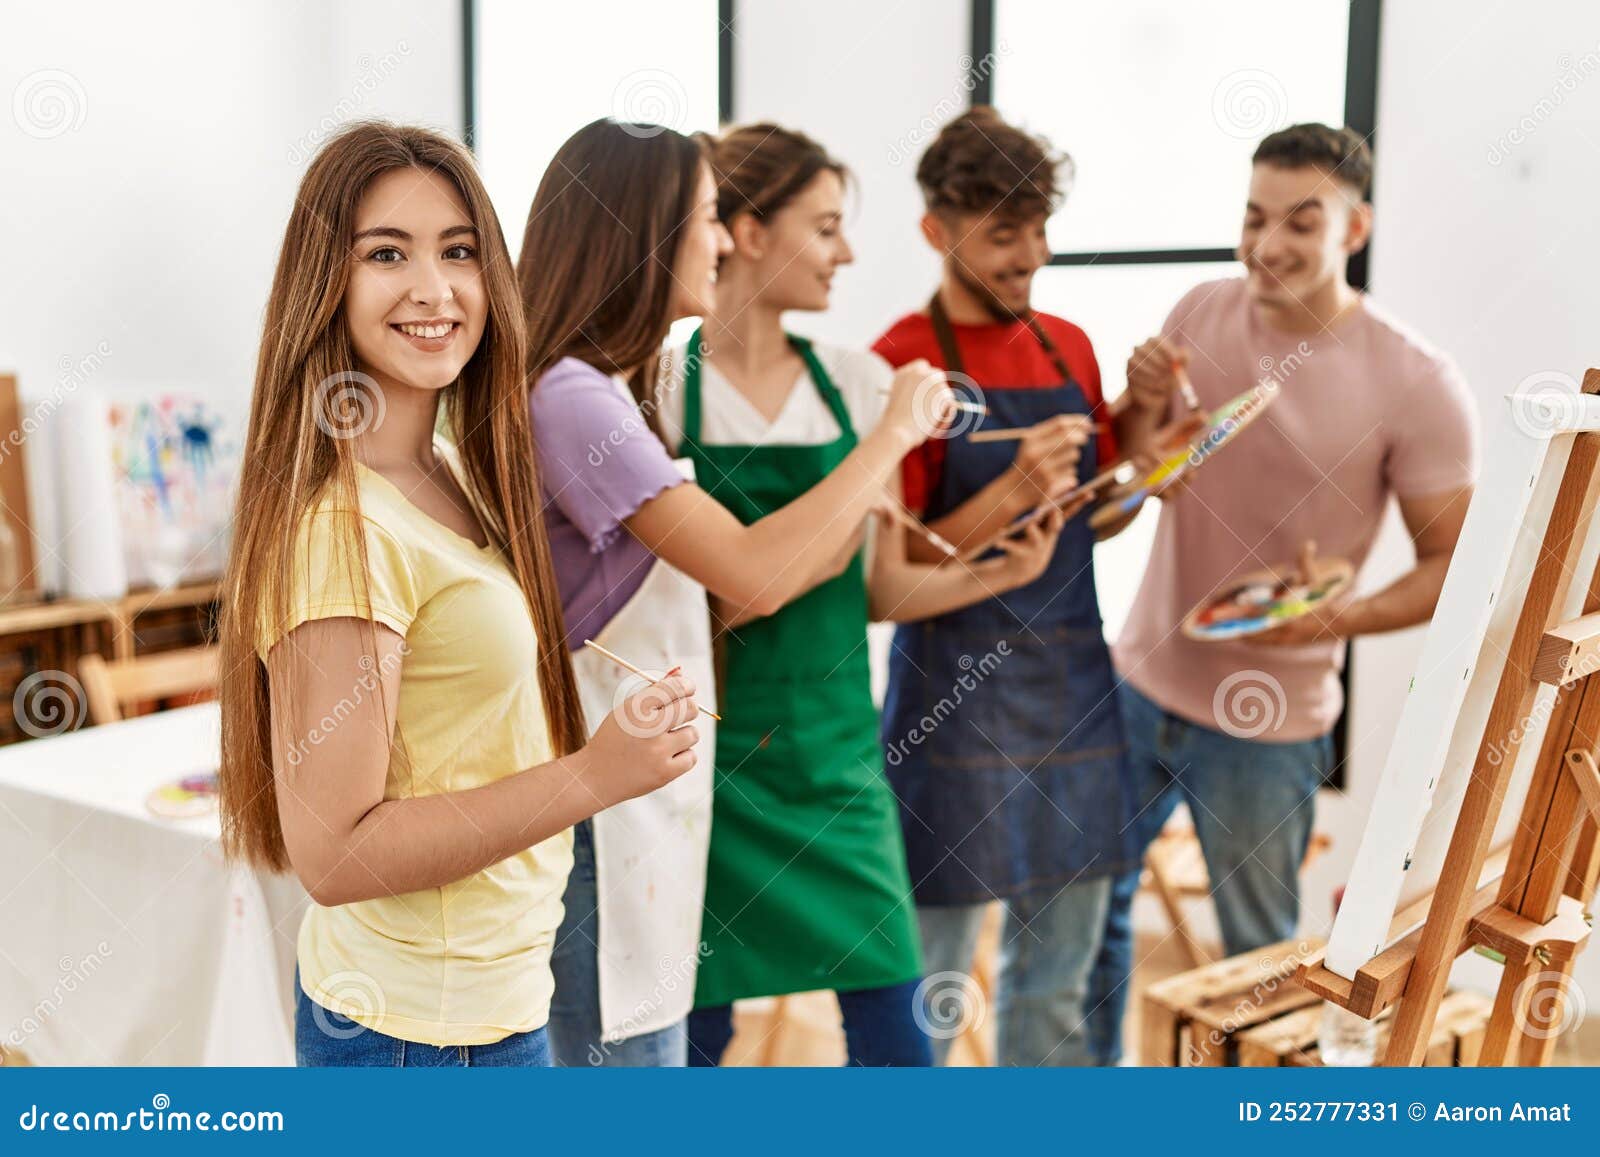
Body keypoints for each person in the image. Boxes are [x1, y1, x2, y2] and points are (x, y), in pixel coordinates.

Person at [217, 121, 700, 1067]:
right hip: (417, 1037)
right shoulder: (342, 529)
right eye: (386, 254)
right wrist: (594, 776)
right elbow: (336, 854)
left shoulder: (446, 472)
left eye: (460, 252)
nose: (435, 289)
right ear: (328, 283)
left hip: (485, 1004)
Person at [519, 118, 962, 1066]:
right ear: (643, 231)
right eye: (707, 218)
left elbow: (777, 577)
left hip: (694, 770)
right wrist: (891, 437)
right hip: (623, 794)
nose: (719, 241)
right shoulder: (580, 396)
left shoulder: (602, 386)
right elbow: (754, 575)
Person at [665, 122, 1067, 1067]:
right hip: (706, 769)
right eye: (828, 227)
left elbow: (877, 586)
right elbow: (704, 594)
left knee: (899, 1042)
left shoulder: (857, 384)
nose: (849, 252)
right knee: (691, 1038)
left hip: (839, 766)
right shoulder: (657, 390)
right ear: (750, 233)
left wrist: (1002, 568)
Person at [1088, 122, 1479, 1064]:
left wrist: (1337, 619)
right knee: (1079, 924)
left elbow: (1453, 570)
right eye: (1254, 217)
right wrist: (1140, 407)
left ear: (1355, 229)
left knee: (1259, 964)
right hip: (1135, 680)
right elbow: (1148, 472)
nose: (1268, 244)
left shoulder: (1416, 379)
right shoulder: (1197, 309)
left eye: (1302, 221)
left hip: (1271, 723)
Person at [872, 108, 1170, 1066]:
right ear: (937, 231)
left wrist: (1151, 457)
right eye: (1004, 235)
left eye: (1038, 230)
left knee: (1064, 981)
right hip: (950, 705)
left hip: (1074, 691)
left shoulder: (1068, 347)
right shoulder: (901, 364)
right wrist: (1012, 490)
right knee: (935, 983)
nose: (1029, 257)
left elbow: (1092, 518)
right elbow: (902, 566)